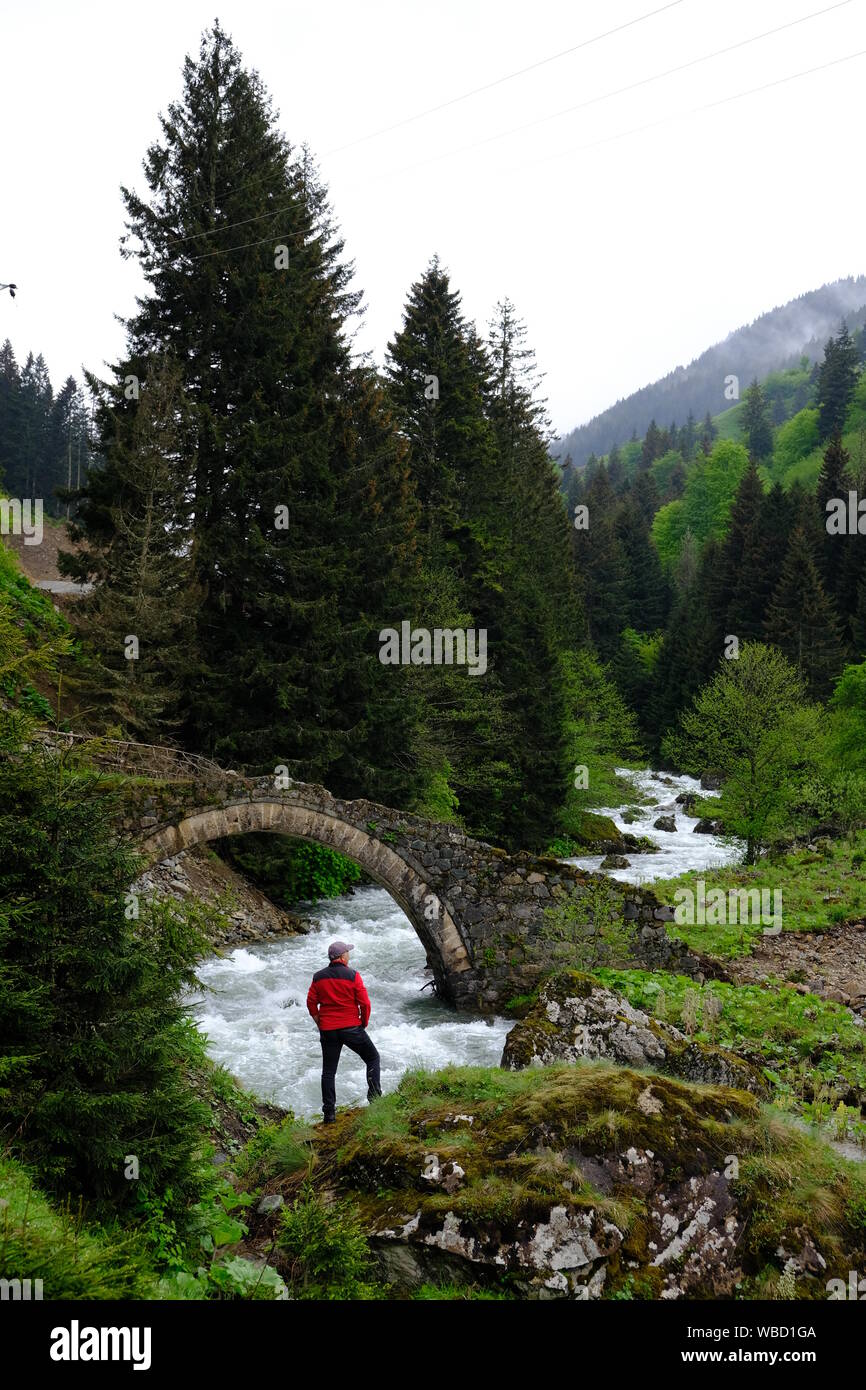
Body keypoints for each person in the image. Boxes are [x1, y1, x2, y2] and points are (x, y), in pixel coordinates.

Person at [306, 940, 382, 1123]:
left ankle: (329, 1114)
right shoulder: (353, 975)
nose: (349, 955)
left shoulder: (318, 977)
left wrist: (319, 1021)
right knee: (372, 1058)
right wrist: (363, 1023)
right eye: (347, 952)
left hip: (328, 1030)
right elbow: (365, 1003)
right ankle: (375, 1100)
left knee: (329, 1071)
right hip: (351, 1027)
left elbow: (310, 1003)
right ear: (342, 957)